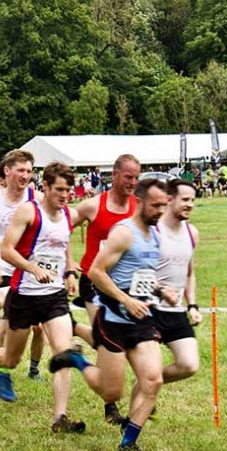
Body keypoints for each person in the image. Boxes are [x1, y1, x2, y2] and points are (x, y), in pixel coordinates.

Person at [50, 178, 175, 451]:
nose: (160, 211)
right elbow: (96, 272)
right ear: (140, 202)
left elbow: (140, 274)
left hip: (142, 320)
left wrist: (159, 289)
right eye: (155, 205)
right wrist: (125, 300)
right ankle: (76, 359)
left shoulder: (155, 235)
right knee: (112, 390)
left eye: (163, 205)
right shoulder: (123, 233)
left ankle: (128, 443)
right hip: (114, 320)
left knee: (153, 381)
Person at [0, 162, 84, 432]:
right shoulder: (29, 211)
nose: (64, 195)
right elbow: (8, 252)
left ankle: (60, 418)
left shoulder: (67, 214)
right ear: (45, 186)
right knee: (11, 359)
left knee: (63, 352)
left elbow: (65, 244)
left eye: (68, 190)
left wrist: (70, 271)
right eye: (59, 189)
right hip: (24, 294)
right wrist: (33, 268)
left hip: (54, 295)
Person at [71, 154, 140, 425]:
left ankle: (72, 328)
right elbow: (60, 228)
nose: (133, 183)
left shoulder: (138, 208)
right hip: (93, 280)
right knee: (109, 340)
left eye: (137, 178)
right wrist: (67, 263)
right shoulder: (91, 205)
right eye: (128, 177)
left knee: (111, 340)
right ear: (115, 175)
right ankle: (110, 406)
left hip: (125, 283)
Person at [0, 149, 44, 402]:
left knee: (14, 331)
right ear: (6, 171)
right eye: (21, 170)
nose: (25, 176)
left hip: (27, 274)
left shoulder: (37, 198)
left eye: (29, 171)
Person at [153, 179, 202, 389]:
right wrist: (161, 290)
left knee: (189, 365)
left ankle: (145, 383)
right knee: (150, 374)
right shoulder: (153, 230)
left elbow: (189, 274)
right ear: (169, 199)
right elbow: (137, 272)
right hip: (148, 310)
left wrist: (192, 305)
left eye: (192, 200)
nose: (190, 204)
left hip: (175, 310)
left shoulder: (192, 233)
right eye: (185, 199)